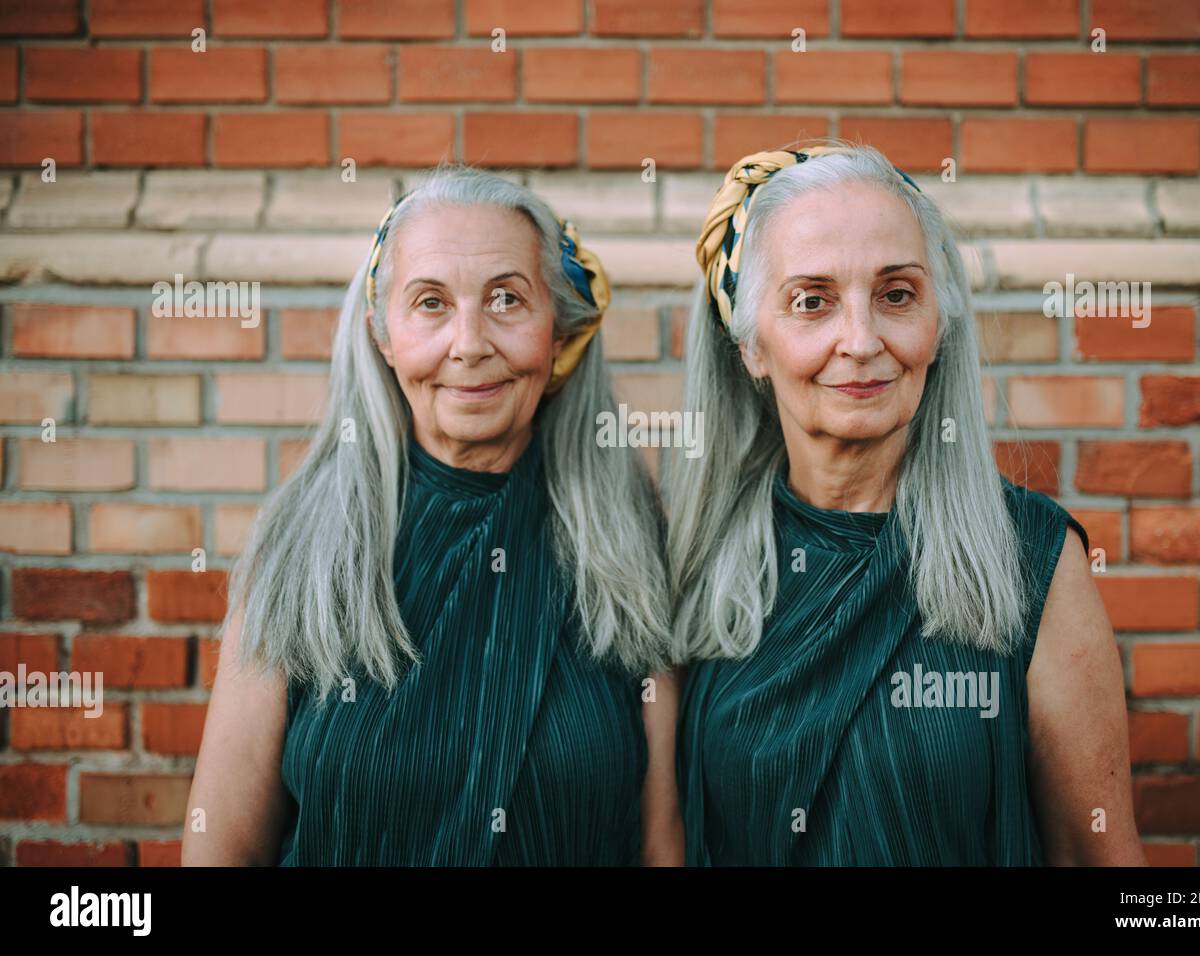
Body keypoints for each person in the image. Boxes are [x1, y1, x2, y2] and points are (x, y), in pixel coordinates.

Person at [184, 165, 682, 866]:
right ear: (382, 334)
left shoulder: (627, 550)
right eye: (430, 304)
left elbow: (664, 848)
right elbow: (222, 849)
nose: (470, 343)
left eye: (508, 298)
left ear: (557, 332)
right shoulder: (304, 550)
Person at [669, 142, 1147, 866]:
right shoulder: (690, 563)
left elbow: (1097, 854)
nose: (861, 341)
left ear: (939, 324)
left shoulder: (1031, 558)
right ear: (750, 346)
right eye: (811, 301)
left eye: (896, 295)